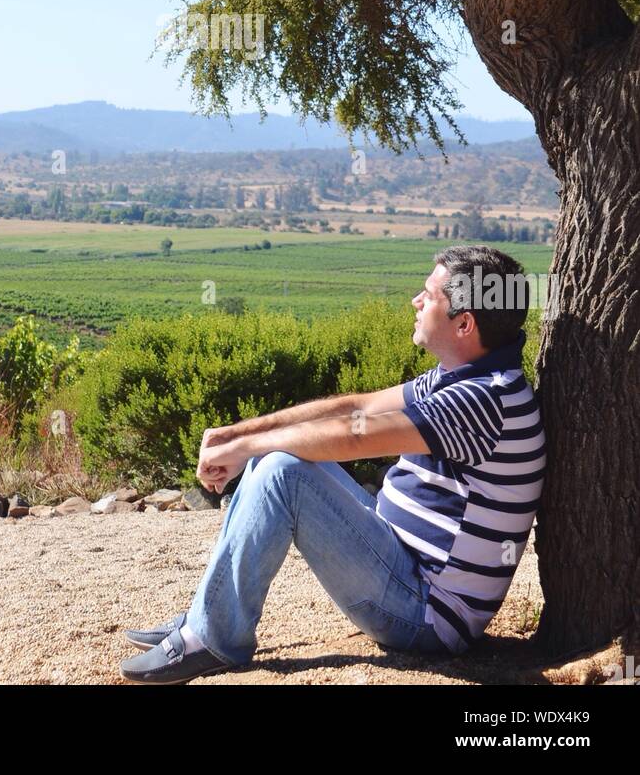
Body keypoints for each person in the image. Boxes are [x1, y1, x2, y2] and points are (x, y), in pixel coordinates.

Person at [120, 244, 547, 684]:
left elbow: (355, 434)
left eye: (428, 294)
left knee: (283, 473)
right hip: (400, 567)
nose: (415, 302)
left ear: (464, 323)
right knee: (275, 456)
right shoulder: (466, 377)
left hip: (424, 615)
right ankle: (206, 617)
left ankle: (213, 637)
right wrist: (239, 435)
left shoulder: (483, 400)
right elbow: (356, 408)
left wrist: (247, 448)